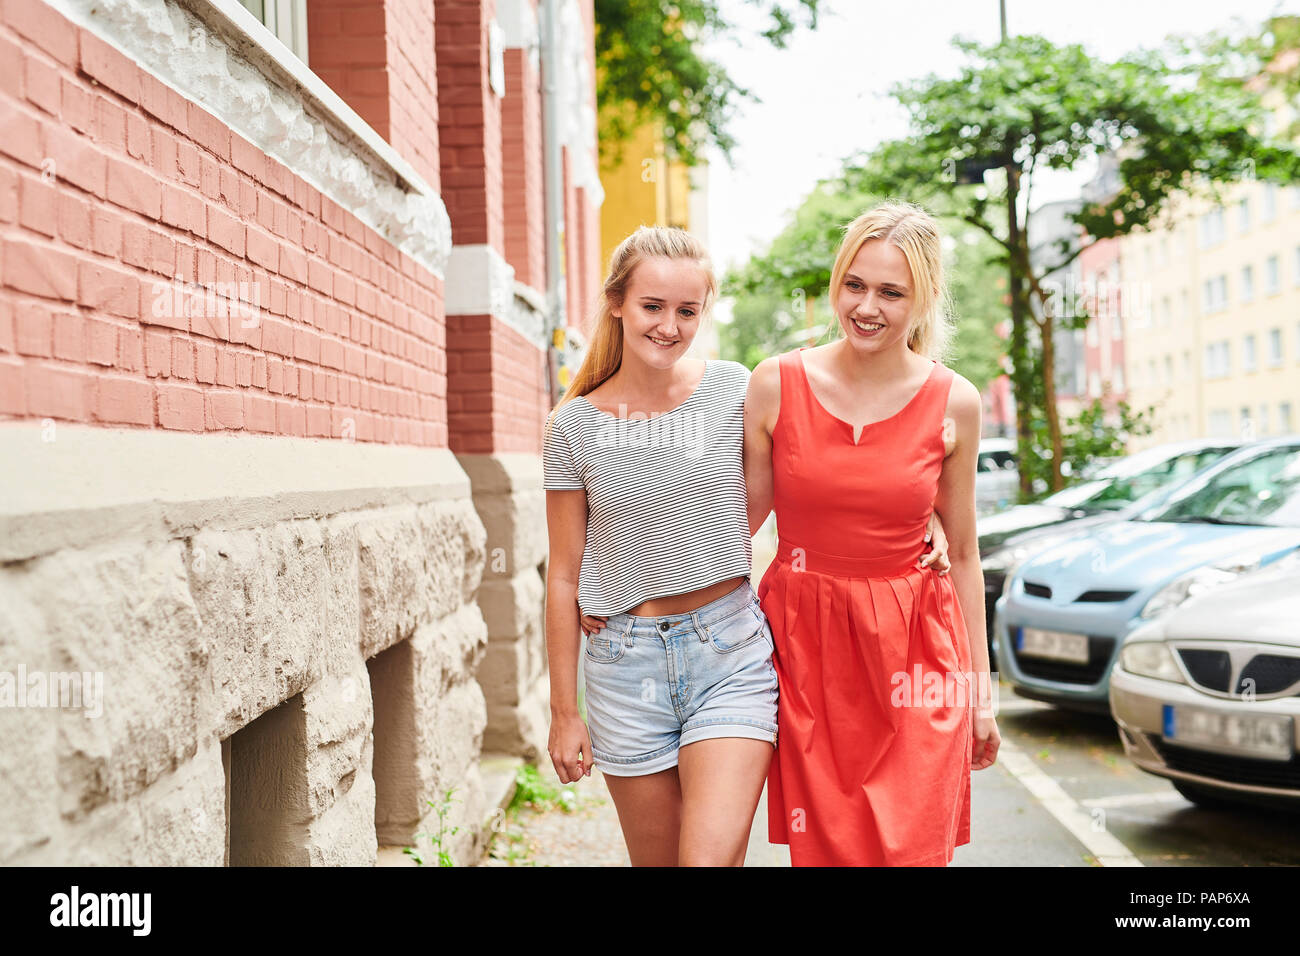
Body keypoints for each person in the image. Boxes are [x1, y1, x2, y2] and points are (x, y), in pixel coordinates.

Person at [543, 224, 951, 867]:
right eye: (652, 307)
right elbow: (563, 575)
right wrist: (564, 711)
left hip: (727, 651)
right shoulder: (571, 424)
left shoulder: (737, 388)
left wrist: (926, 518)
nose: (669, 326)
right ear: (616, 303)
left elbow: (823, 463)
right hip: (623, 664)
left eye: (687, 311)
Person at [743, 200, 1001, 867]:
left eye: (892, 292)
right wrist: (627, 585)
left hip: (918, 653)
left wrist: (980, 697)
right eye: (855, 285)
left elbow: (966, 554)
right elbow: (733, 528)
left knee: (913, 849)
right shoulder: (774, 385)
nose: (867, 306)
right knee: (828, 851)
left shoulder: (956, 402)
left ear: (924, 300)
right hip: (808, 651)